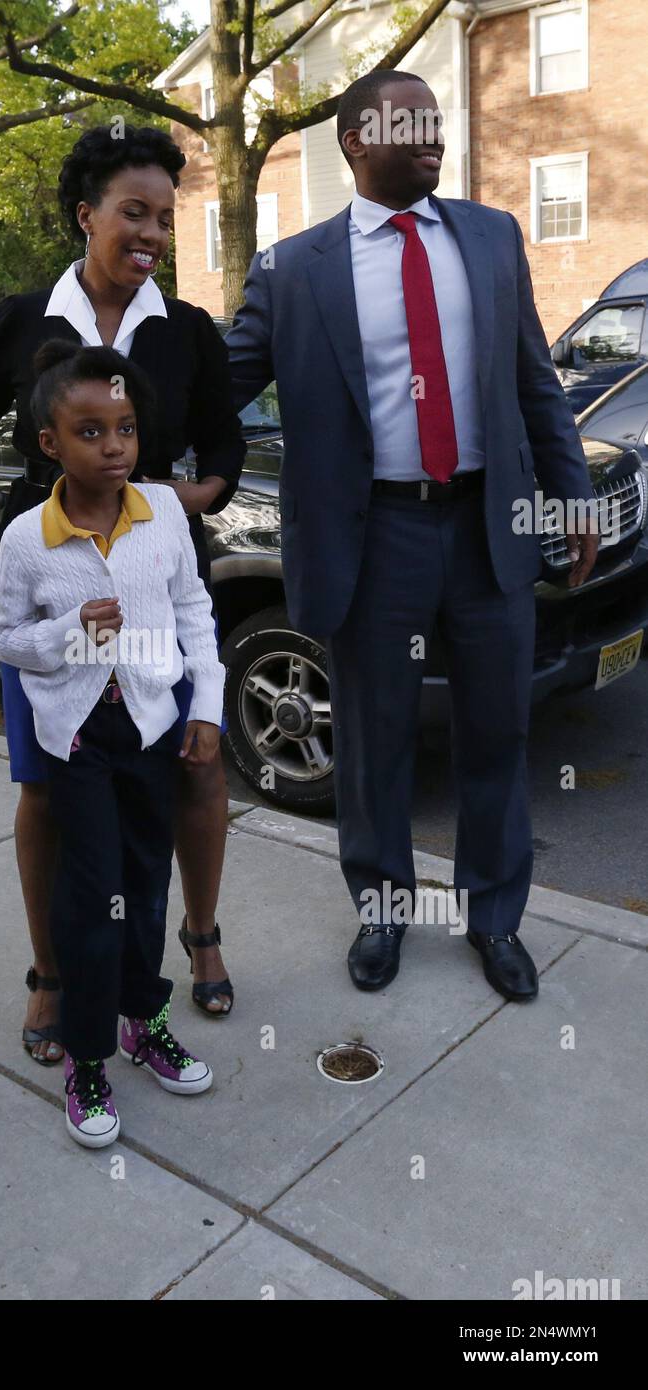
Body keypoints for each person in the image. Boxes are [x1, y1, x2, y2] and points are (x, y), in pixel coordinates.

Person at [0, 125, 246, 1061]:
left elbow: (227, 447)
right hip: (50, 582)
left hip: (157, 582)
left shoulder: (188, 331)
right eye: (134, 211)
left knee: (195, 762)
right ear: (87, 215)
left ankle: (198, 938)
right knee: (47, 781)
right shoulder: (23, 320)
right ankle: (53, 974)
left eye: (166, 215)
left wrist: (182, 500)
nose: (153, 231)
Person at [226, 70, 598, 1002]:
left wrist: (571, 497)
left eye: (438, 123)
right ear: (355, 139)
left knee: (495, 731)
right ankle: (384, 912)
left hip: (487, 529)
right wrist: (123, 397)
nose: (434, 136)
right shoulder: (296, 267)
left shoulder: (490, 236)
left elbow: (534, 382)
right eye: (410, 122)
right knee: (374, 738)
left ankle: (493, 920)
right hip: (374, 535)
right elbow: (218, 381)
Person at [0, 338, 224, 1146]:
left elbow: (193, 609)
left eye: (124, 427)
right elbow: (4, 640)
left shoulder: (161, 515)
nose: (114, 445)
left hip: (151, 727)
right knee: (91, 897)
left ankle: (140, 1020)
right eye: (90, 431)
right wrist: (65, 632)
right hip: (77, 737)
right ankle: (85, 1058)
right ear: (50, 443)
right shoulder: (28, 538)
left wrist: (208, 707)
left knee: (147, 884)